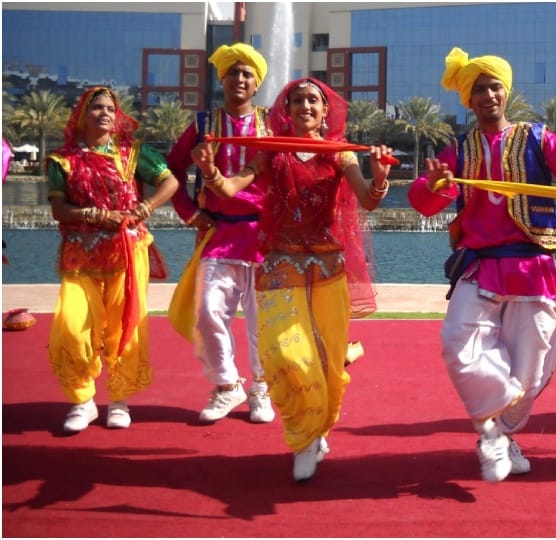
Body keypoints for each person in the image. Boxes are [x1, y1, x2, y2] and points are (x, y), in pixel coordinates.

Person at [408, 47, 556, 483]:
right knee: (456, 343)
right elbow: (424, 204)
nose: (487, 95)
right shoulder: (457, 151)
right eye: (478, 89)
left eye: (494, 86)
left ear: (506, 92)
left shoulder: (539, 138)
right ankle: (490, 426)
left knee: (531, 371)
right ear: (468, 99)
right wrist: (434, 186)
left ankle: (498, 435)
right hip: (479, 267)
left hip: (534, 267)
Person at [190, 77, 392, 482]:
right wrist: (211, 172)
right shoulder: (272, 151)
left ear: (324, 111)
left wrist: (381, 174)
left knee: (328, 364)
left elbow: (368, 198)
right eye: (297, 99)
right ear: (287, 109)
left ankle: (319, 433)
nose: (305, 105)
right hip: (280, 266)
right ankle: (303, 437)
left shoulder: (340, 154)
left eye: (313, 100)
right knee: (285, 354)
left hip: (328, 270)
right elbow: (230, 188)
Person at [46, 87, 178, 432]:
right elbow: (59, 210)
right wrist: (93, 215)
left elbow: (171, 182)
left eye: (110, 108)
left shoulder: (134, 154)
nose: (105, 114)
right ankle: (83, 400)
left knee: (124, 327)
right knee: (73, 328)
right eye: (97, 108)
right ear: (82, 115)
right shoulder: (63, 160)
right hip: (81, 253)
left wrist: (144, 208)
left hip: (126, 250)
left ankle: (119, 400)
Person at [167, 43, 275, 424]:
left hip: (265, 236)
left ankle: (261, 389)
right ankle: (227, 386)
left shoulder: (272, 124)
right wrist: (189, 212)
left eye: (247, 73)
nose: (240, 79)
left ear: (256, 82)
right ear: (223, 79)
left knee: (263, 320)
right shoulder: (201, 124)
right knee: (207, 312)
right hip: (218, 233)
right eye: (234, 72)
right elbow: (170, 172)